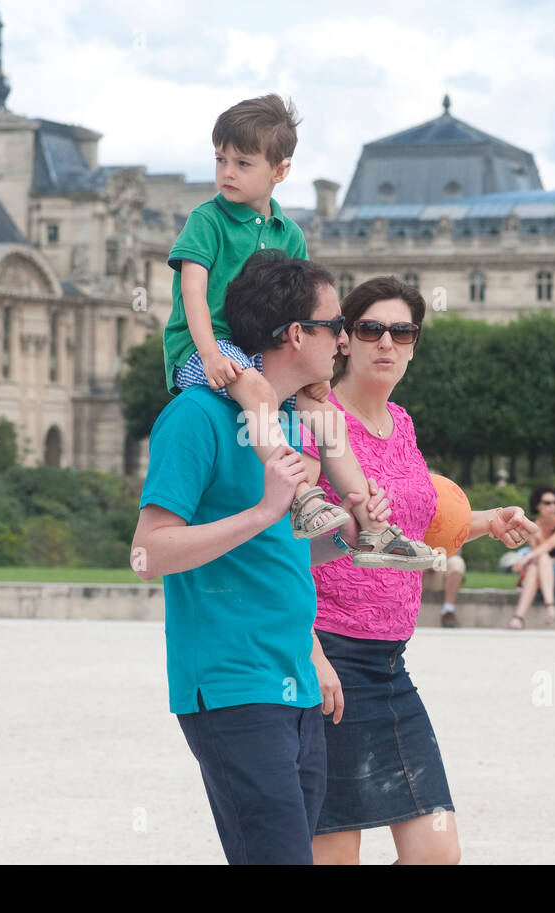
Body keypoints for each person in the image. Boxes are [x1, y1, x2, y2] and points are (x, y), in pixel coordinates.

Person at [131, 252, 394, 865]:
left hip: (296, 686)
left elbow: (283, 550)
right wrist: (262, 510)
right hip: (231, 685)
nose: (347, 341)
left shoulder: (285, 426)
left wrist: (353, 533)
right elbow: (147, 554)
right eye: (338, 327)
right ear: (297, 334)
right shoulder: (195, 417)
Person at [298, 276, 537, 865]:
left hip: (388, 662)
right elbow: (284, 541)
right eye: (371, 328)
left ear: (414, 344)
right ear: (344, 339)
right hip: (327, 652)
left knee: (436, 853)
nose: (387, 342)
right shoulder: (314, 418)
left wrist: (486, 521)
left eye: (402, 331)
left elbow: (411, 523)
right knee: (332, 859)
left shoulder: (400, 423)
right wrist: (307, 649)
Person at [163, 93, 435, 569]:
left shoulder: (290, 232)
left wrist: (313, 371)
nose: (227, 172)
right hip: (201, 345)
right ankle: (303, 499)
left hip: (257, 347)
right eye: (220, 159)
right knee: (252, 387)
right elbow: (193, 295)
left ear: (280, 171)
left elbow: (302, 304)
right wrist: (208, 353)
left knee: (324, 415)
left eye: (242, 163)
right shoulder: (206, 220)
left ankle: (373, 530)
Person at [507, 485, 555, 629]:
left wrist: (526, 557)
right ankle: (520, 617)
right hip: (540, 571)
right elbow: (538, 554)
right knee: (536, 566)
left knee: (542, 558)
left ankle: (537, 611)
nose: (552, 506)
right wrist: (534, 538)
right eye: (547, 503)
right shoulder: (532, 525)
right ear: (538, 505)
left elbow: (549, 546)